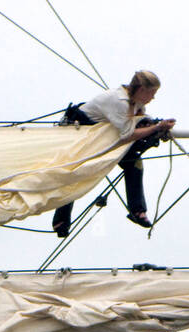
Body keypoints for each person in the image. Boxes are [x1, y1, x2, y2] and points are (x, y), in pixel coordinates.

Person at [51, 70, 176, 238]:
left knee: (134, 163)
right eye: (152, 93)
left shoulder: (135, 102)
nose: (153, 98)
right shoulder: (119, 101)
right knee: (78, 172)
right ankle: (61, 219)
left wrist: (154, 124)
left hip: (104, 135)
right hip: (82, 132)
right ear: (141, 90)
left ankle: (137, 210)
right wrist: (156, 128)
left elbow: (138, 118)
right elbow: (127, 135)